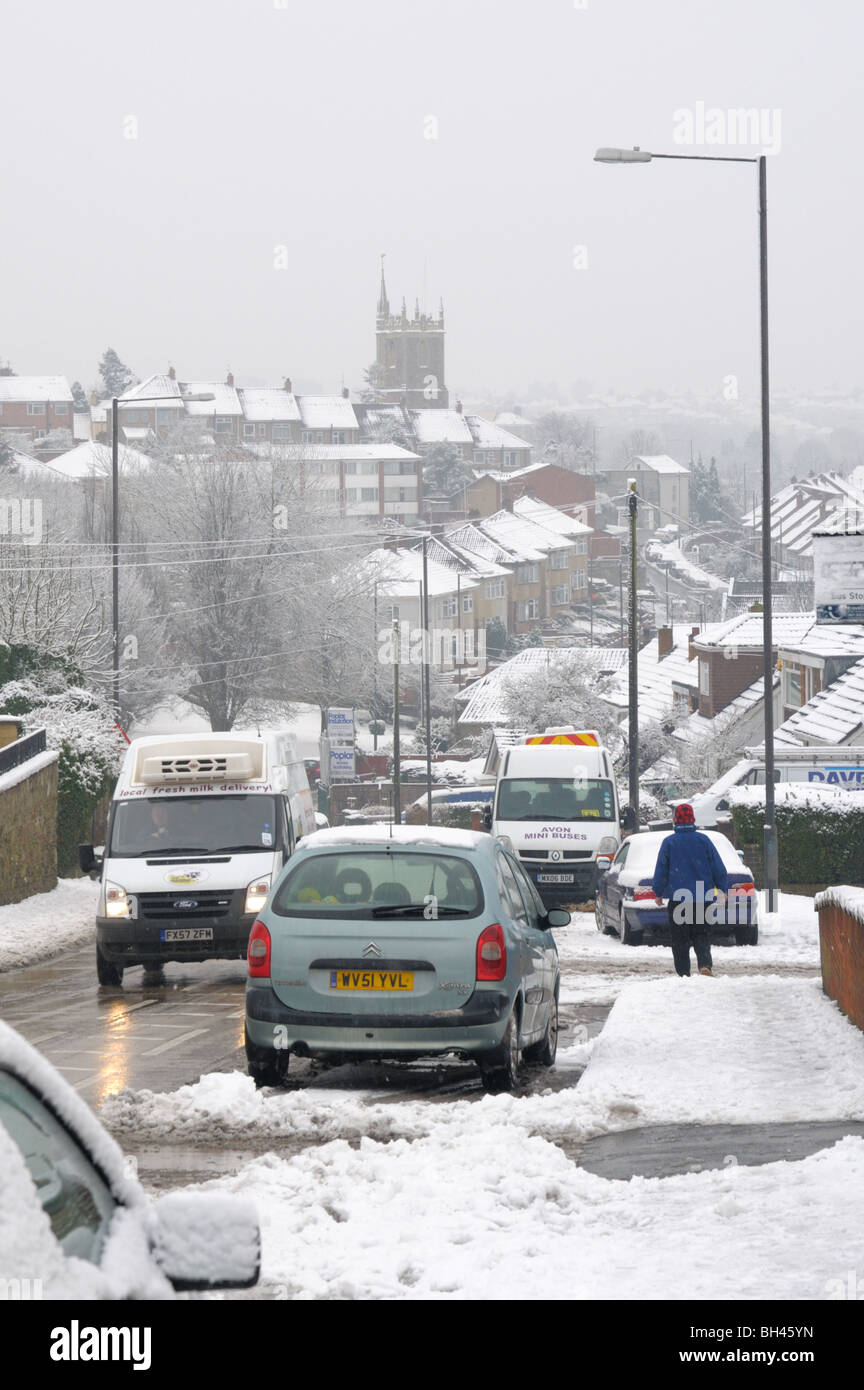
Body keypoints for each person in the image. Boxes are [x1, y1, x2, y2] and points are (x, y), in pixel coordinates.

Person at [651, 802, 729, 977]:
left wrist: (658, 892)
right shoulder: (704, 840)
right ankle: (704, 965)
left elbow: (661, 869)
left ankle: (683, 973)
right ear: (692, 819)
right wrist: (723, 888)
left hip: (679, 899)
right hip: (703, 898)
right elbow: (717, 866)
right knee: (702, 935)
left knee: (680, 939)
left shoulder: (669, 843)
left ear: (675, 820)